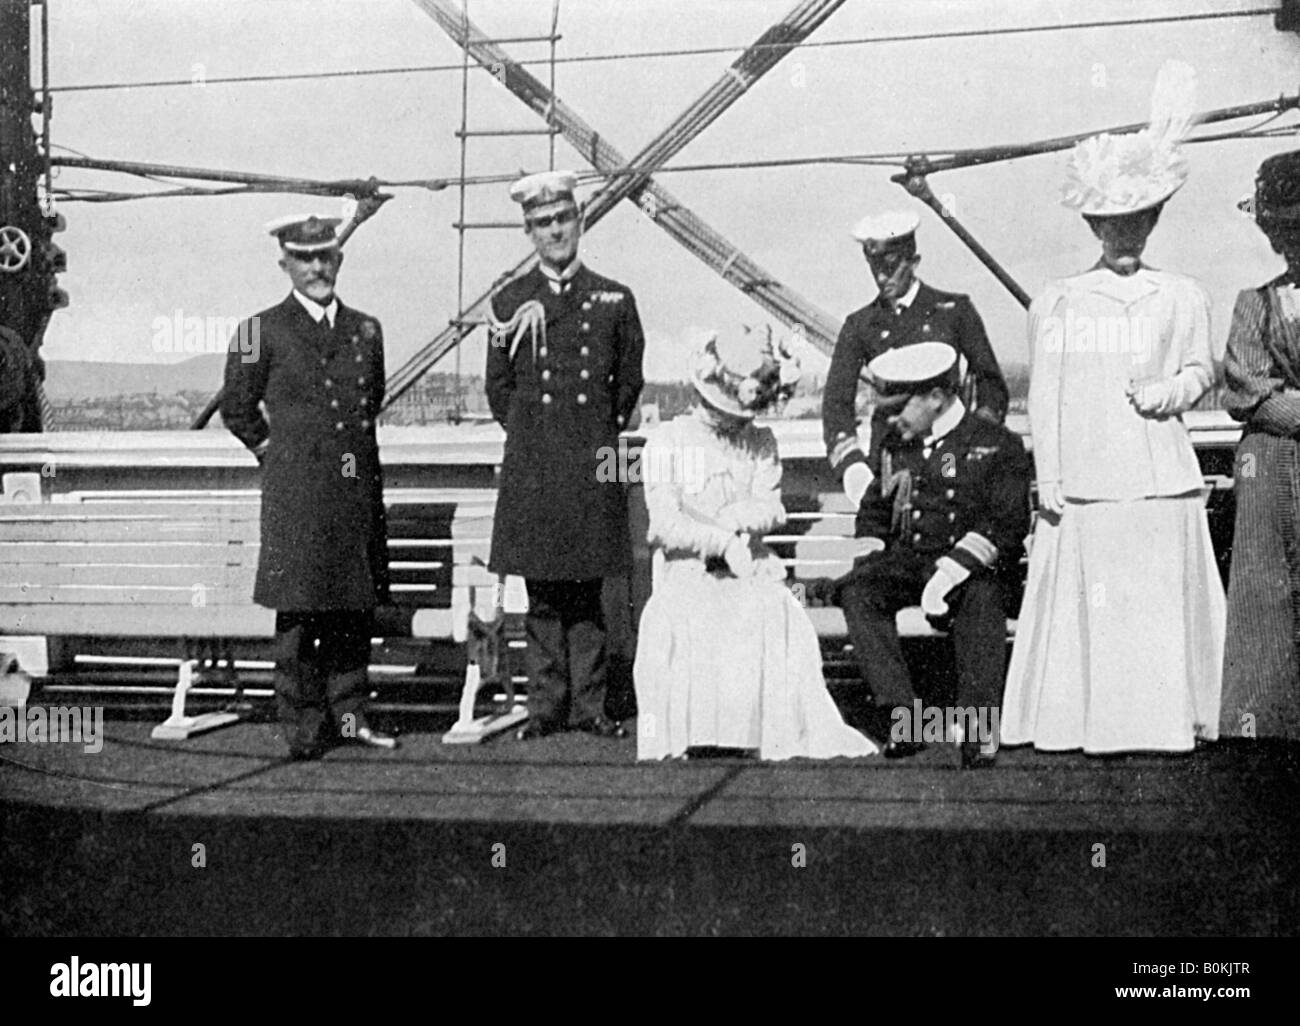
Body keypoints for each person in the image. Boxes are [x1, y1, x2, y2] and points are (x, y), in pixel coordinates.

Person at [1000, 61, 1224, 754]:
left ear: (1153, 219)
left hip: (1159, 471)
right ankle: (1087, 720)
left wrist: (1172, 392)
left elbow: (1201, 369)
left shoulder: (1181, 294)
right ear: (1094, 223)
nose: (1123, 233)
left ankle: (1165, 721)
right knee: (1098, 600)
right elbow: (1047, 392)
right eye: (1110, 221)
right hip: (1092, 477)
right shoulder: (1062, 298)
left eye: (1136, 219)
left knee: (1155, 597)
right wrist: (1052, 479)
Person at [634, 330, 877, 761]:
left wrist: (738, 521)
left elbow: (773, 506)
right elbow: (664, 522)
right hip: (687, 568)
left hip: (750, 565)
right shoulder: (668, 442)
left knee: (769, 608)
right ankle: (701, 733)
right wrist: (719, 540)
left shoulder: (760, 442)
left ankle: (754, 732)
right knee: (687, 611)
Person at [221, 214, 397, 760]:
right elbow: (237, 409)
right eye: (305, 258)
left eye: (326, 256)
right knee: (298, 616)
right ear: (286, 265)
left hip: (353, 491)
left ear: (339, 260)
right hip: (296, 497)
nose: (317, 267)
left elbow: (372, 401)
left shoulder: (367, 329)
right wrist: (277, 455)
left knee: (352, 607)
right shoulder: (258, 331)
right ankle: (302, 727)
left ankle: (350, 717)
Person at [485, 170, 645, 740]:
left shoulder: (614, 299)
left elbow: (628, 383)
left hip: (591, 460)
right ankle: (546, 708)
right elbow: (498, 390)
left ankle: (591, 707)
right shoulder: (508, 301)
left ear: (579, 222)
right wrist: (538, 436)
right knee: (545, 594)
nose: (555, 231)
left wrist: (589, 435)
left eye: (563, 219)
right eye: (542, 223)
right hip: (536, 465)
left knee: (589, 593)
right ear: (528, 231)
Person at [829, 342, 1031, 767]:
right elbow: (875, 507)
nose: (891, 416)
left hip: (974, 565)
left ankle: (977, 732)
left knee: (981, 599)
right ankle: (906, 718)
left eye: (901, 406)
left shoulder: (995, 444)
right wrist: (870, 556)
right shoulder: (895, 440)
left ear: (936, 398)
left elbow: (1007, 523)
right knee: (859, 593)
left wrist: (950, 572)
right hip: (910, 562)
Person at [822, 209, 1009, 518]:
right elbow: (836, 404)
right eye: (874, 267)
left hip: (949, 451)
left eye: (891, 267)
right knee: (895, 541)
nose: (882, 277)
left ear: (913, 261)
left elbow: (991, 384)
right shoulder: (860, 325)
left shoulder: (953, 311)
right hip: (891, 459)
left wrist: (975, 444)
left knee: (946, 518)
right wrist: (852, 467)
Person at [1219, 149, 1300, 742]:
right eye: (1286, 231)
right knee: (1269, 589)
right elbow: (1247, 387)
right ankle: (1269, 722)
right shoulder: (1258, 301)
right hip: (1280, 454)